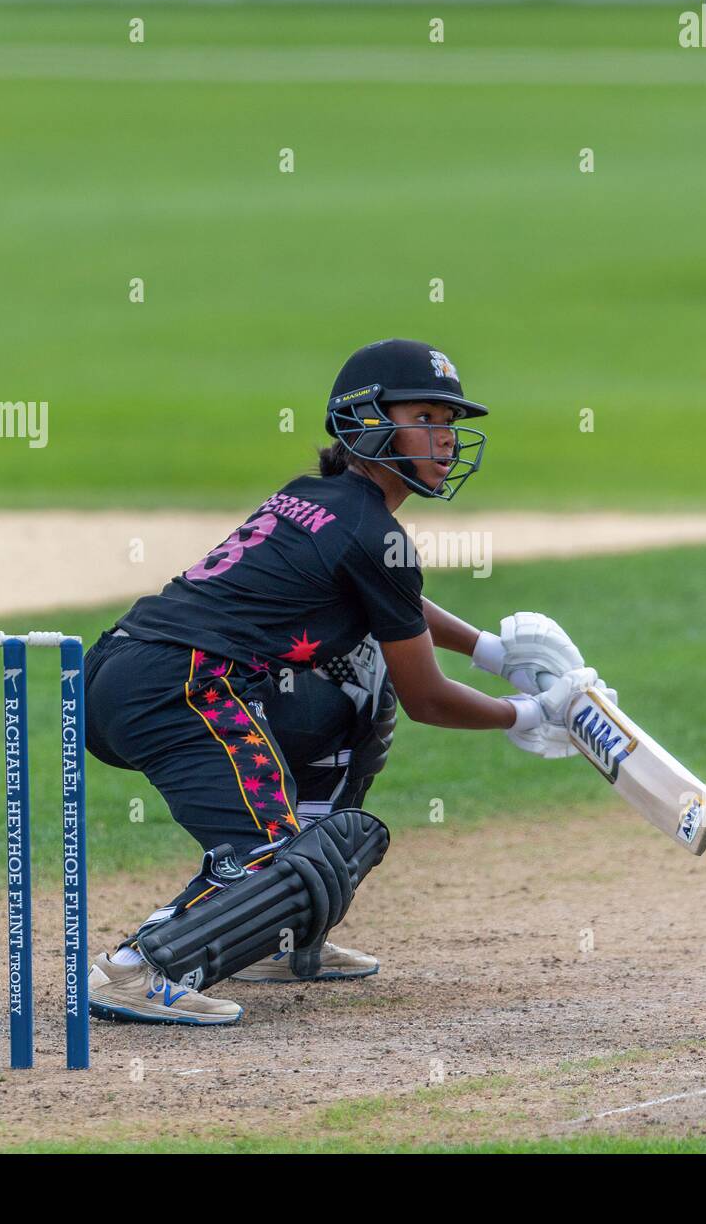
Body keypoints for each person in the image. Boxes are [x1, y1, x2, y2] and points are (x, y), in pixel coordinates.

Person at [82, 339, 610, 1025]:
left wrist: (490, 651)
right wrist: (528, 713)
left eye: (450, 421)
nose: (447, 438)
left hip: (125, 668)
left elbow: (388, 606)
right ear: (366, 422)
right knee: (276, 857)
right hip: (182, 683)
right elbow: (427, 699)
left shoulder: (316, 497)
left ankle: (277, 937)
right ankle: (135, 968)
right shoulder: (373, 532)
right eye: (425, 417)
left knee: (360, 676)